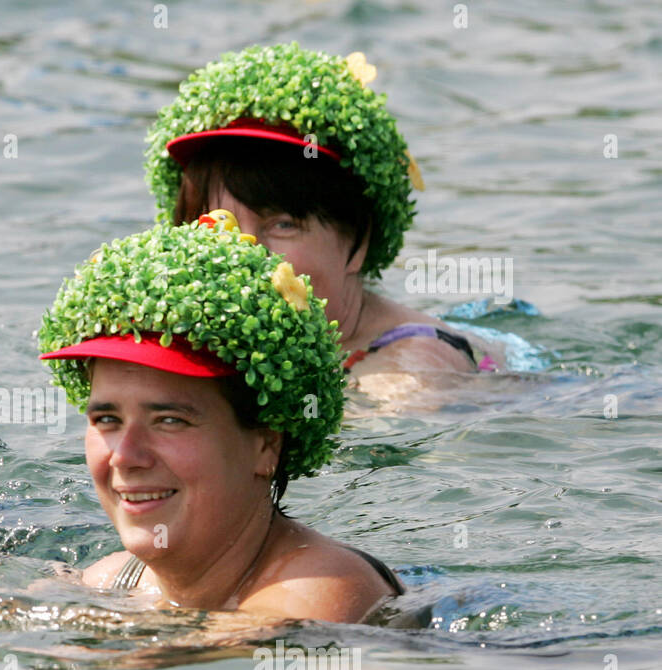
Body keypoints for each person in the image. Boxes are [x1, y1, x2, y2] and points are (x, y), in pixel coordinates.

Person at [38, 217, 404, 623]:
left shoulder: (323, 586)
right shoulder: (113, 580)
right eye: (107, 419)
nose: (126, 456)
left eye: (170, 421)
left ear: (266, 444)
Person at [144, 42, 506, 383]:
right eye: (217, 225)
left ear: (359, 242)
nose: (245, 252)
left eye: (283, 224)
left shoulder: (407, 376)